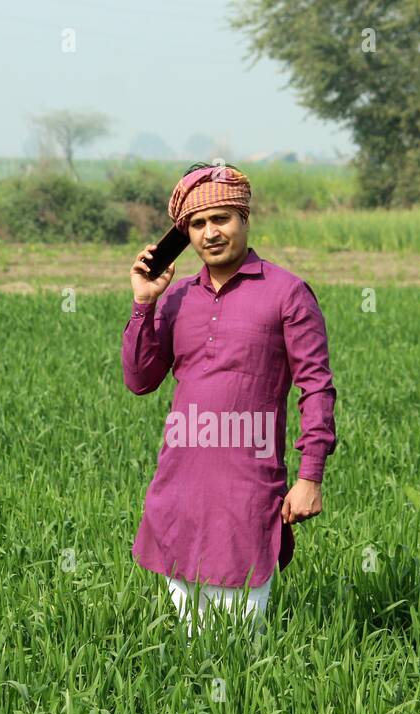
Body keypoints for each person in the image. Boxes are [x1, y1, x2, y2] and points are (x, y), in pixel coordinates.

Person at [123, 162, 337, 637]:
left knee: (242, 640)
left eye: (220, 219)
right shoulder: (176, 298)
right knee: (188, 640)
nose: (210, 233)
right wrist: (144, 303)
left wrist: (310, 477)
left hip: (247, 485)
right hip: (179, 484)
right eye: (197, 225)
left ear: (244, 218)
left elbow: (316, 386)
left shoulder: (287, 293)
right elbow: (139, 380)